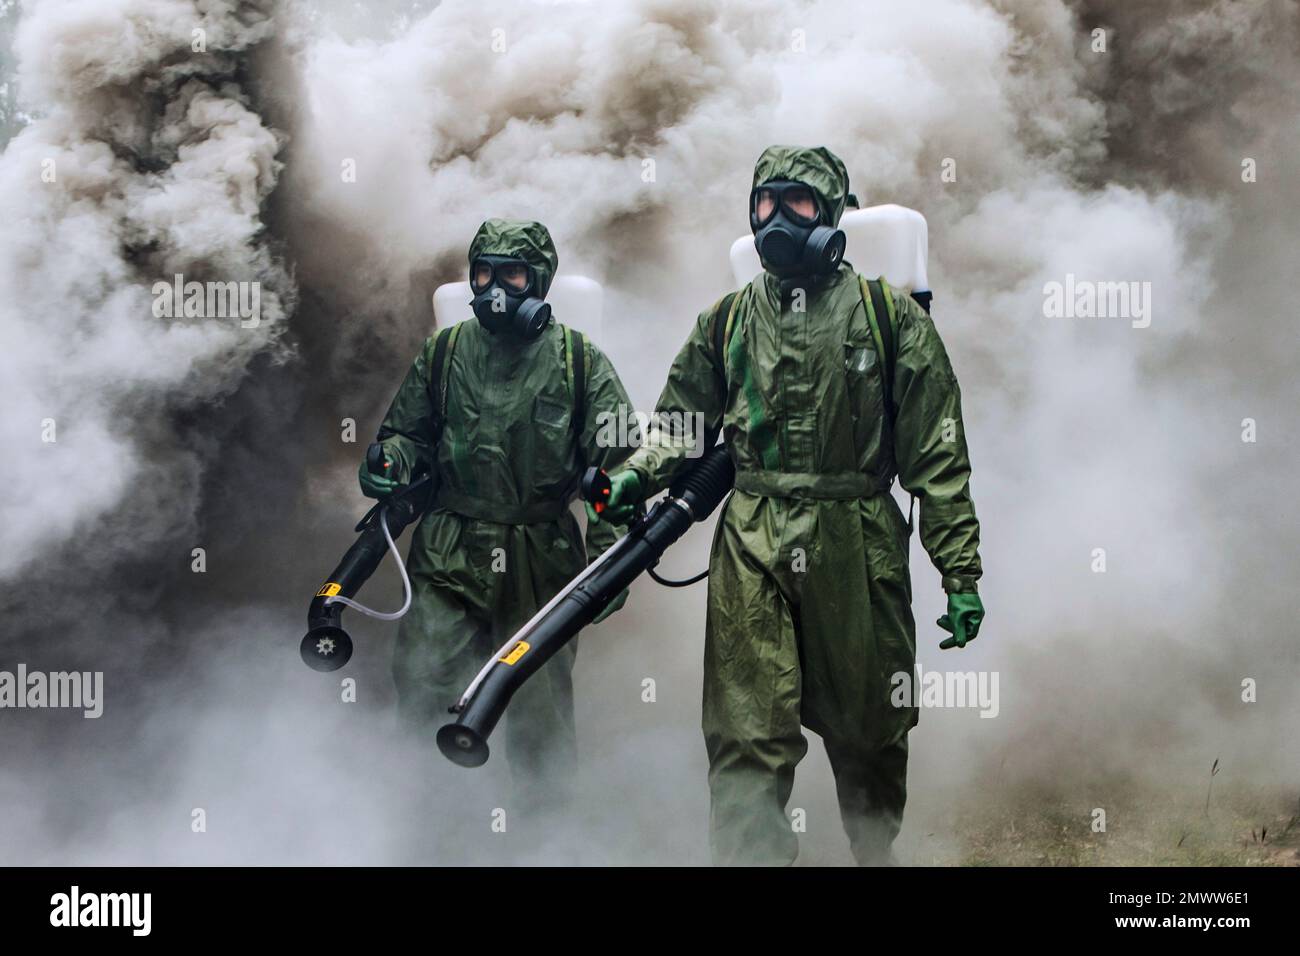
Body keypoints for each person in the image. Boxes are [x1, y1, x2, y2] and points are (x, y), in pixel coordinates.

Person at [593, 146, 985, 865]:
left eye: (796, 203)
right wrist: (634, 478)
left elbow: (937, 454)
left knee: (871, 726)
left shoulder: (888, 317)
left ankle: (874, 851)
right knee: (747, 734)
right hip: (753, 539)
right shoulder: (726, 322)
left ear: (831, 213)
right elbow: (678, 427)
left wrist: (960, 575)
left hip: (857, 538)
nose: (777, 217)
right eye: (765, 202)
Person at [362, 218, 634, 810]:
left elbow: (615, 470)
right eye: (482, 272)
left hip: (541, 556)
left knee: (538, 712)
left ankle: (546, 840)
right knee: (423, 687)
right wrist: (392, 461)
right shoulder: (445, 351)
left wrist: (611, 556)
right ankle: (428, 829)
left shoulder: (579, 362)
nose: (494, 288)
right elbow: (408, 433)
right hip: (448, 547)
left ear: (539, 279)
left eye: (510, 273)